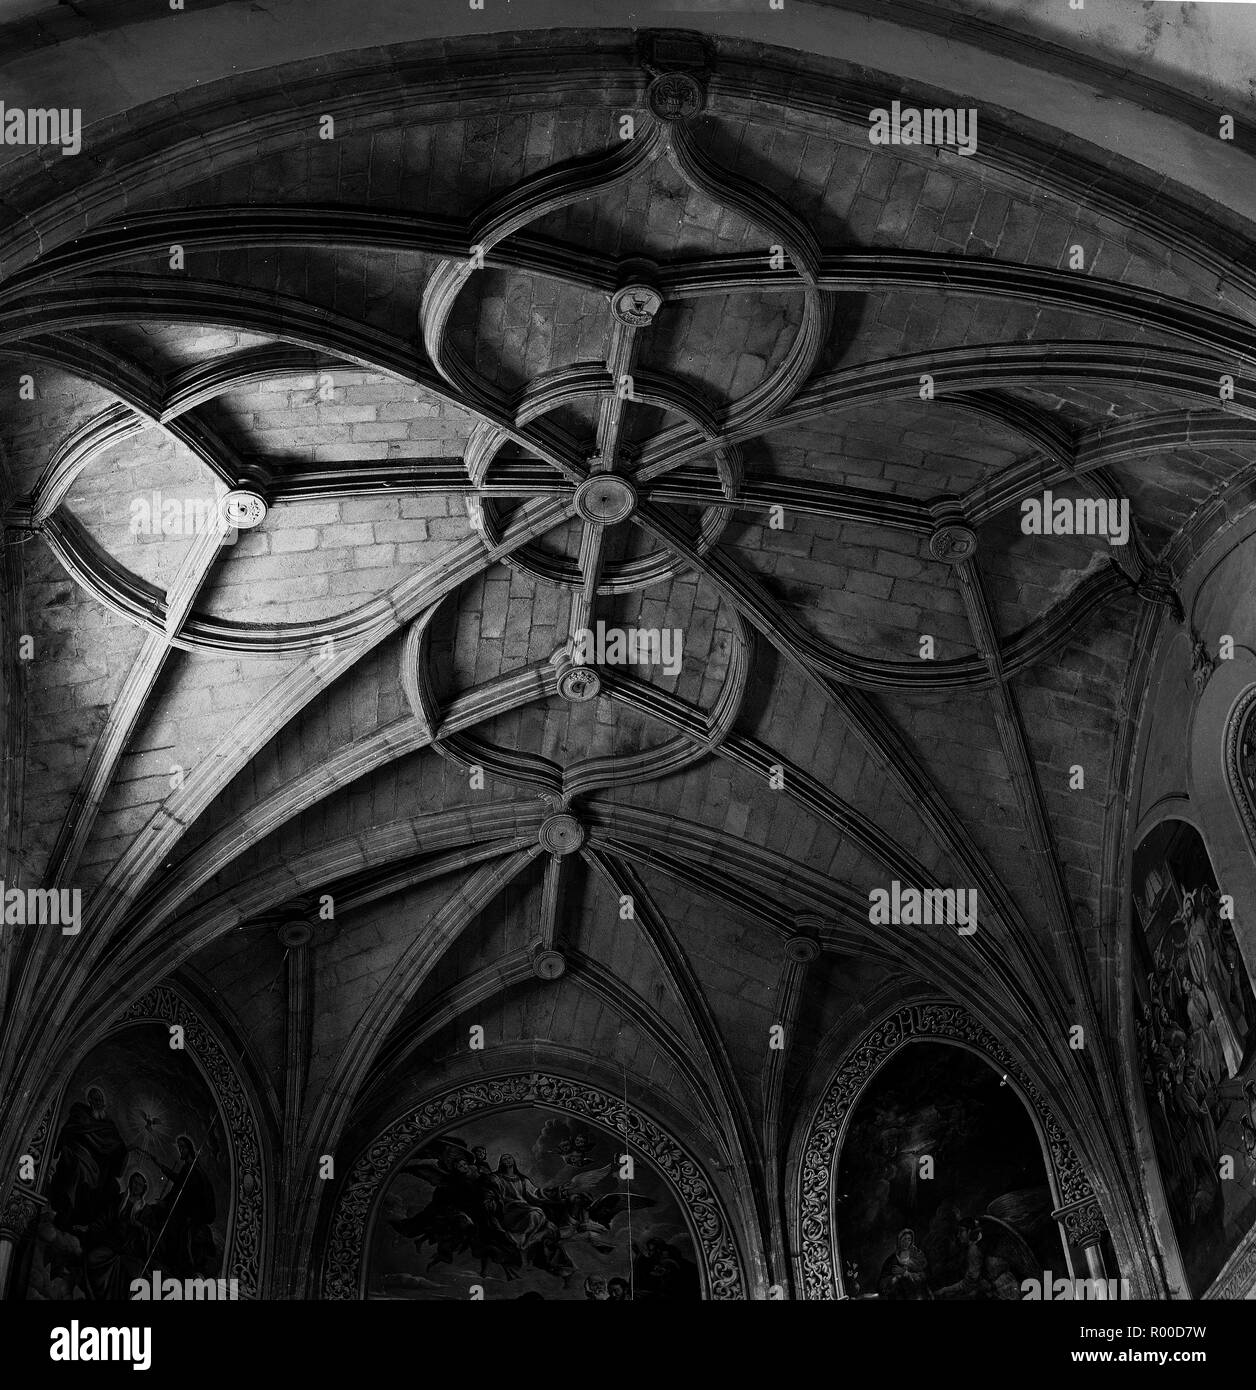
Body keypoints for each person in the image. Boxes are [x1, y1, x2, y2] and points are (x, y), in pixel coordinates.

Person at [47, 1087, 127, 1232]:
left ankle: (75, 1215)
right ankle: (66, 1207)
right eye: (95, 1099)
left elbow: (116, 1144)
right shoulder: (81, 1113)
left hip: (95, 1164)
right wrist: (58, 1148)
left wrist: (124, 1149)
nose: (99, 1102)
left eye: (100, 1100)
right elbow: (68, 1130)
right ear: (89, 1101)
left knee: (99, 1182)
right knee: (77, 1169)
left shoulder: (108, 1125)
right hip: (76, 1152)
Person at [876, 1227, 931, 1299]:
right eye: (904, 1239)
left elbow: (924, 1277)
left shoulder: (917, 1255)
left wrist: (905, 1273)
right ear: (899, 1240)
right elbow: (882, 1281)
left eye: (909, 1239)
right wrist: (894, 1279)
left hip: (917, 1294)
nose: (906, 1242)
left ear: (911, 1241)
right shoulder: (892, 1259)